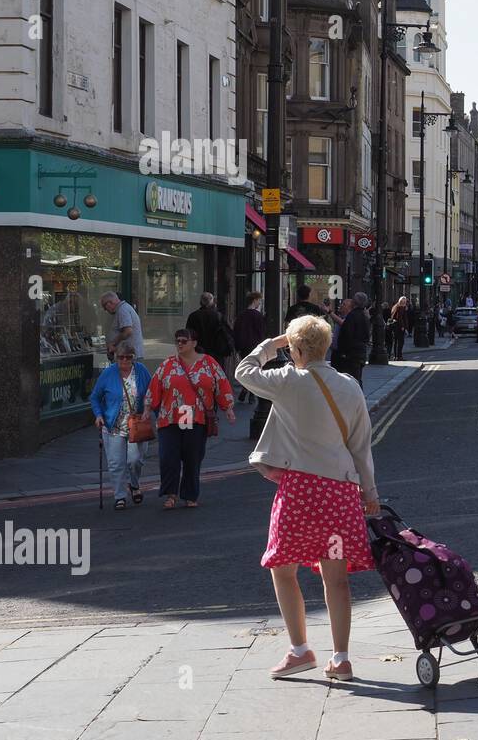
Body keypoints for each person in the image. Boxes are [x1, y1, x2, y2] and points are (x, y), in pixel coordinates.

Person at [236, 315, 380, 682]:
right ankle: (342, 659)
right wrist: (371, 493)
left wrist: (274, 344)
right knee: (337, 578)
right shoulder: (349, 386)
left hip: (301, 492)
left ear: (296, 349)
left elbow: (244, 370)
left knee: (283, 569)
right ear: (328, 345)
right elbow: (361, 445)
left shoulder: (287, 380)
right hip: (340, 493)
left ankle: (300, 651)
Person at [144, 327, 236, 509]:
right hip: (169, 418)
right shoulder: (168, 364)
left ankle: (190, 495)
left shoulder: (209, 363)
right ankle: (170, 495)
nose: (179, 344)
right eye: (177, 341)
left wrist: (228, 408)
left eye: (183, 341)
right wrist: (148, 408)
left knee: (192, 458)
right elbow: (155, 385)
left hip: (196, 418)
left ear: (194, 343)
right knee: (168, 457)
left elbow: (222, 384)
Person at [90, 341, 152, 510]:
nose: (124, 361)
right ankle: (120, 496)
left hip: (136, 426)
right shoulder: (108, 373)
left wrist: (152, 411)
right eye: (120, 357)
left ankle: (134, 484)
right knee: (116, 463)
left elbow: (152, 393)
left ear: (134, 358)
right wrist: (98, 415)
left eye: (128, 357)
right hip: (113, 425)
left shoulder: (141, 371)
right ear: (115, 358)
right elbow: (95, 397)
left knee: (135, 461)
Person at [232, 291, 267, 404]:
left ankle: (245, 389)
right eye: (259, 301)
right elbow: (261, 332)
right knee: (255, 370)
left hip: (243, 346)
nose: (259, 303)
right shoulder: (258, 316)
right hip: (255, 346)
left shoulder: (241, 315)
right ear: (255, 300)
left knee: (246, 369)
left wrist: (237, 346)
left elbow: (236, 331)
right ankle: (251, 393)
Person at [186, 292, 234, 366]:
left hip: (198, 352)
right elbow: (226, 332)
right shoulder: (218, 316)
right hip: (216, 352)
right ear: (212, 301)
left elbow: (188, 334)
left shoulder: (193, 316)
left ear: (201, 302)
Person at [336, 292, 372, 386]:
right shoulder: (365, 315)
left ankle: (356, 398)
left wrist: (343, 352)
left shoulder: (352, 316)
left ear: (354, 303)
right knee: (357, 378)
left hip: (351, 354)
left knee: (351, 379)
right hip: (361, 352)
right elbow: (367, 335)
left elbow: (347, 335)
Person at [99, 291, 144, 362]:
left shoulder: (122, 310)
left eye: (105, 307)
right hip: (127, 355)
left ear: (109, 303)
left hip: (129, 357)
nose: (105, 310)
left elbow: (128, 331)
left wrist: (113, 343)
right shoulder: (124, 308)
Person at [388, 296, 409, 360]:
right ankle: (399, 356)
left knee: (396, 342)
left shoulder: (395, 306)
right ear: (401, 302)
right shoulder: (400, 307)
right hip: (399, 327)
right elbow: (399, 318)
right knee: (400, 342)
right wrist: (402, 326)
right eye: (404, 302)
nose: (405, 303)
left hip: (395, 327)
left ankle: (396, 356)